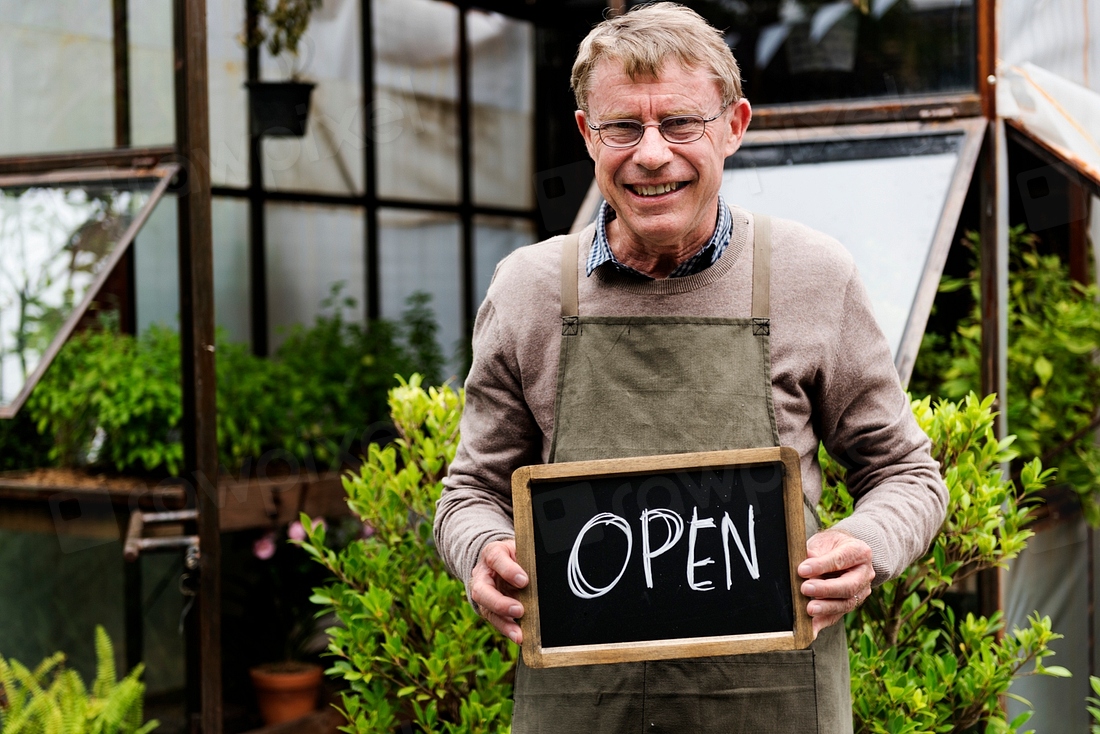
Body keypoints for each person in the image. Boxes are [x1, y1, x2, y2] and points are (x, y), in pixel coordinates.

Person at [433, 3, 948, 731]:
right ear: (587, 134)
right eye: (623, 127)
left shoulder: (812, 277)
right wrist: (481, 550)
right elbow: (469, 492)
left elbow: (905, 474)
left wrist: (868, 543)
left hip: (773, 706)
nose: (651, 153)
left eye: (680, 124)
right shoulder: (528, 290)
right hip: (583, 708)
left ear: (733, 126)